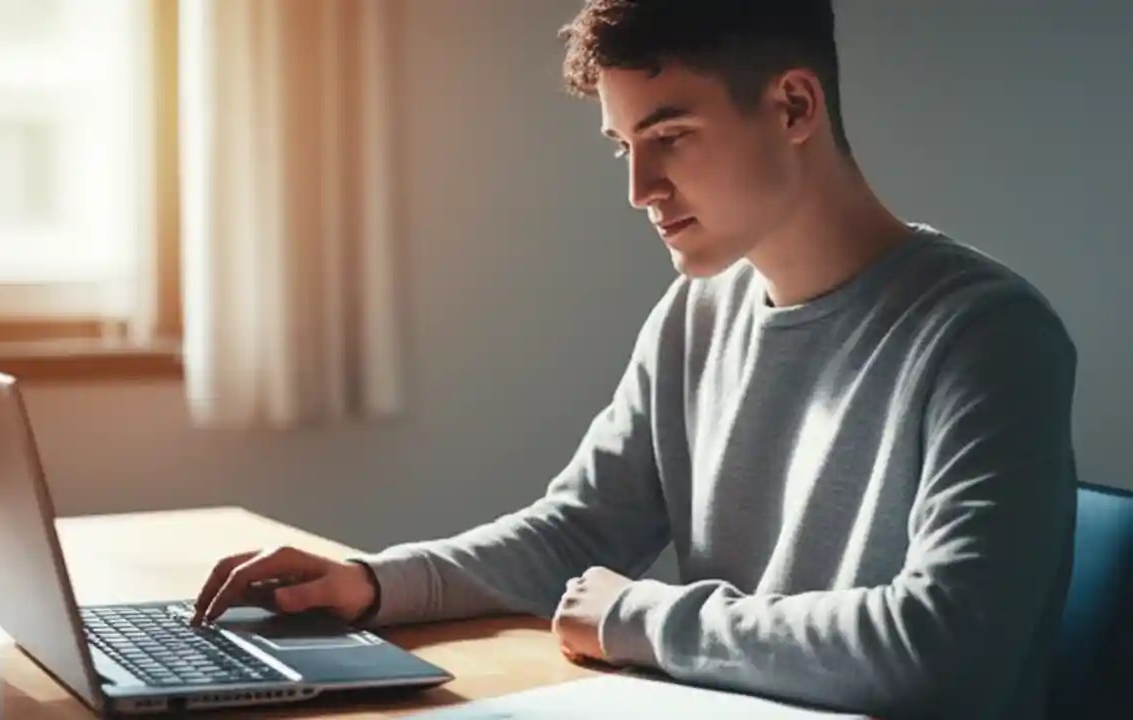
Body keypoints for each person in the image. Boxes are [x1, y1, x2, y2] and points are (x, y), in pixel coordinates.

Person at [190, 2, 1077, 718]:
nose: (639, 188)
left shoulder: (987, 335)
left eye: (672, 134)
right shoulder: (698, 312)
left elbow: (944, 654)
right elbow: (576, 532)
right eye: (625, 146)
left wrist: (640, 617)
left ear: (795, 106)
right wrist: (373, 584)